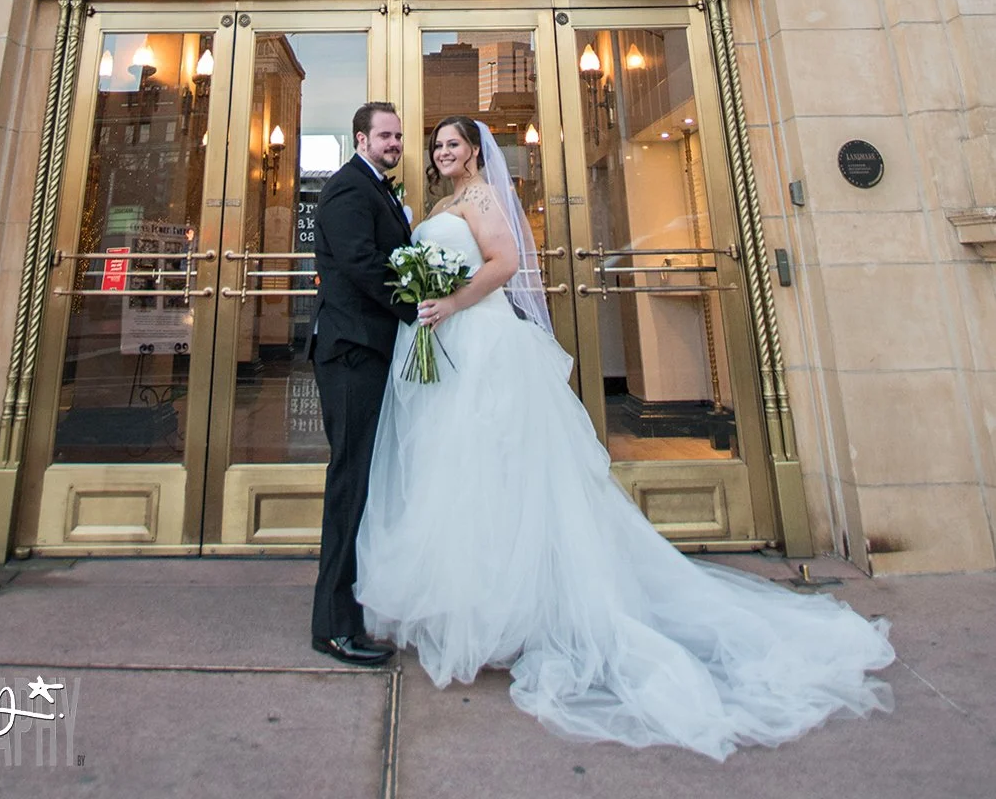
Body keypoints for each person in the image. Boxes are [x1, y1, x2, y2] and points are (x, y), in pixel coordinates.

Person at [356, 115, 895, 760]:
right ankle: (469, 604)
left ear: (475, 150)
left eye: (453, 144)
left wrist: (451, 302)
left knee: (501, 472)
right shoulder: (443, 202)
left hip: (484, 343)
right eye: (436, 145)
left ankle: (518, 612)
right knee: (459, 476)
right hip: (449, 348)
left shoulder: (482, 198)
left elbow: (504, 262)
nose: (443, 153)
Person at [308, 101, 418, 665]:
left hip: (368, 352)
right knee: (349, 483)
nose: (394, 143)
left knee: (360, 480)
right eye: (385, 135)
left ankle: (350, 609)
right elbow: (361, 262)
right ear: (360, 138)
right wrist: (419, 305)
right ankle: (332, 625)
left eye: (398, 135)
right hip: (351, 353)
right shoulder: (351, 188)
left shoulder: (376, 186)